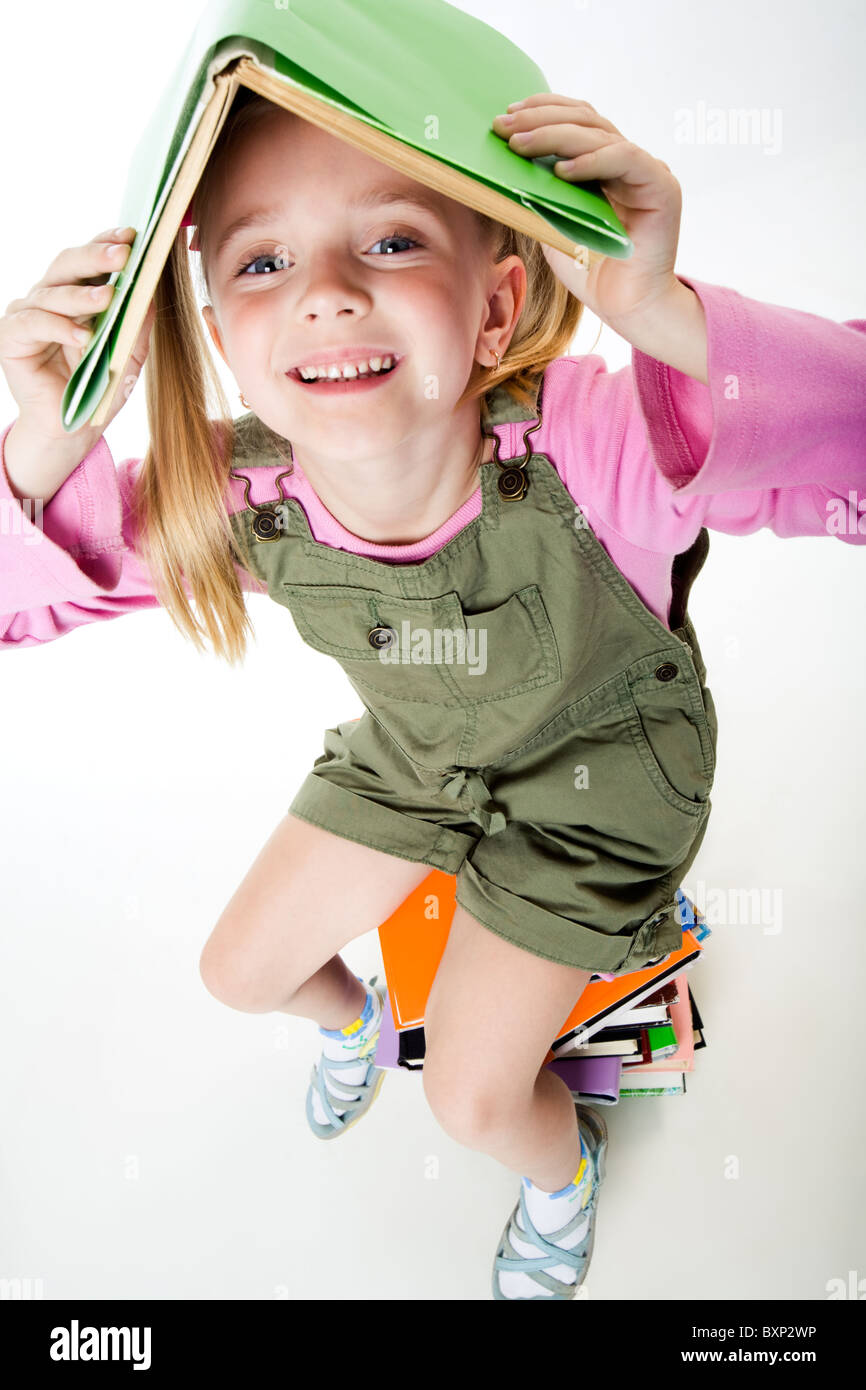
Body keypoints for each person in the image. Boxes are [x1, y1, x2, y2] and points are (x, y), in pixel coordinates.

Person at [1, 87, 864, 1302]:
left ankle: (565, 1173)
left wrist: (660, 318)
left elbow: (849, 436)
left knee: (471, 1099)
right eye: (261, 258)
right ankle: (357, 1024)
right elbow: (15, 604)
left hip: (596, 791)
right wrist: (43, 437)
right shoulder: (241, 495)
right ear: (219, 329)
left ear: (496, 301)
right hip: (419, 759)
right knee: (237, 972)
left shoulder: (593, 448)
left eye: (393, 240)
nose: (326, 291)